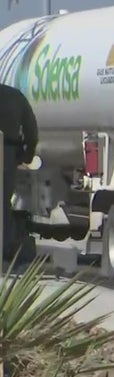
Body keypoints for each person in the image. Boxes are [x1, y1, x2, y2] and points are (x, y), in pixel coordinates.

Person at [0, 84, 37, 261]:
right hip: (8, 153)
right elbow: (31, 128)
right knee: (3, 203)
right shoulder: (15, 96)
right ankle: (4, 249)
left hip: (8, 151)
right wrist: (27, 154)